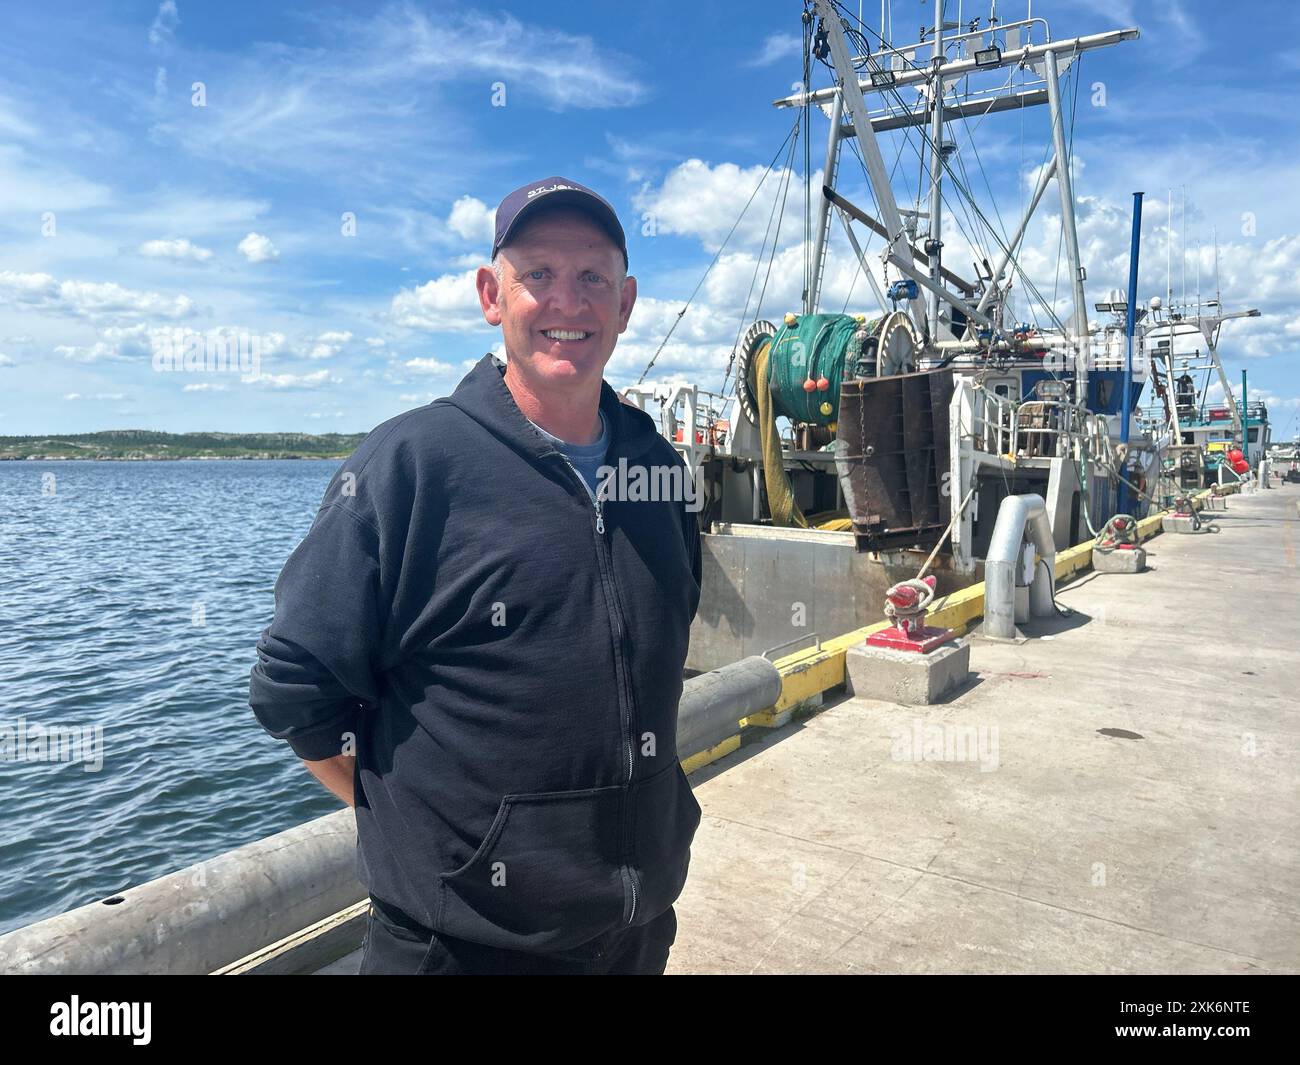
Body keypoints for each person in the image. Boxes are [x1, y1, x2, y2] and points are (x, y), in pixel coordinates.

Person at [248, 175, 703, 975]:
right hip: (461, 949)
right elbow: (294, 688)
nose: (569, 301)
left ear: (626, 303)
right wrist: (424, 832)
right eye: (539, 275)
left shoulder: (659, 472)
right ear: (493, 295)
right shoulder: (412, 466)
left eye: (593, 276)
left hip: (636, 934)